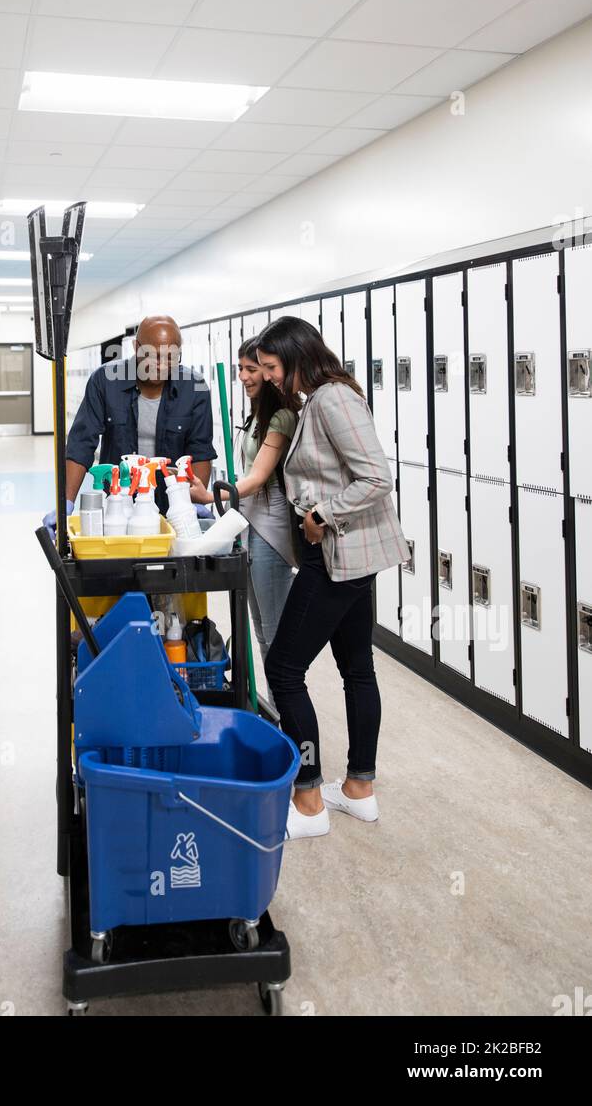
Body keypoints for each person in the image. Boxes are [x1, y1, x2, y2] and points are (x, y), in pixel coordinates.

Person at [254, 315, 410, 840]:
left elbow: (376, 477)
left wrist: (322, 515)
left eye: (274, 366)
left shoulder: (332, 399)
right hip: (353, 559)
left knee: (282, 669)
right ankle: (360, 790)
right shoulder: (317, 400)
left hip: (339, 558)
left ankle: (309, 797)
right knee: (356, 667)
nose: (270, 376)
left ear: (298, 356)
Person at [190, 336, 297, 699]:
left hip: (270, 532)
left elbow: (255, 479)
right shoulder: (255, 417)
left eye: (252, 369)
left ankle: (285, 708)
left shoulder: (282, 418)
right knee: (260, 628)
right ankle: (272, 704)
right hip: (249, 525)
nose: (243, 376)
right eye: (241, 368)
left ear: (271, 373)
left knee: (275, 630)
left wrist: (209, 494)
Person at [43, 315, 216, 528]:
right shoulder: (105, 381)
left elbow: (200, 450)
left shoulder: (194, 388)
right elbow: (82, 444)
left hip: (173, 502)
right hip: (119, 501)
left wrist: (194, 502)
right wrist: (66, 503)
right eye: (153, 356)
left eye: (171, 357)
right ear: (136, 347)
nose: (161, 365)